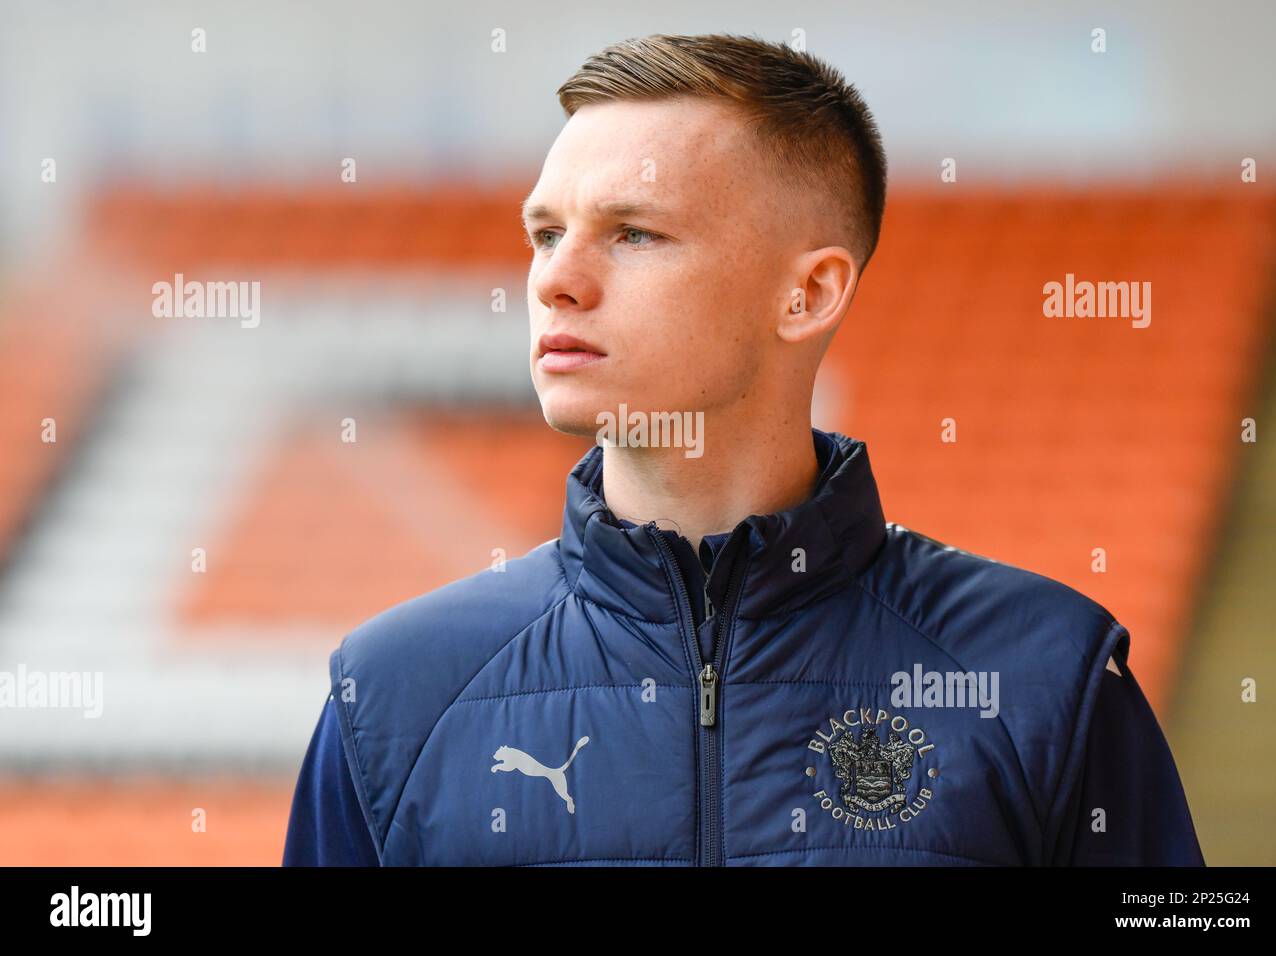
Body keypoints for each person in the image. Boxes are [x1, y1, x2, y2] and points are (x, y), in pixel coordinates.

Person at [283, 32, 1204, 867]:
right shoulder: (395, 691)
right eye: (547, 234)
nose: (557, 281)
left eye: (634, 233)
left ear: (807, 294)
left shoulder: (1043, 672)